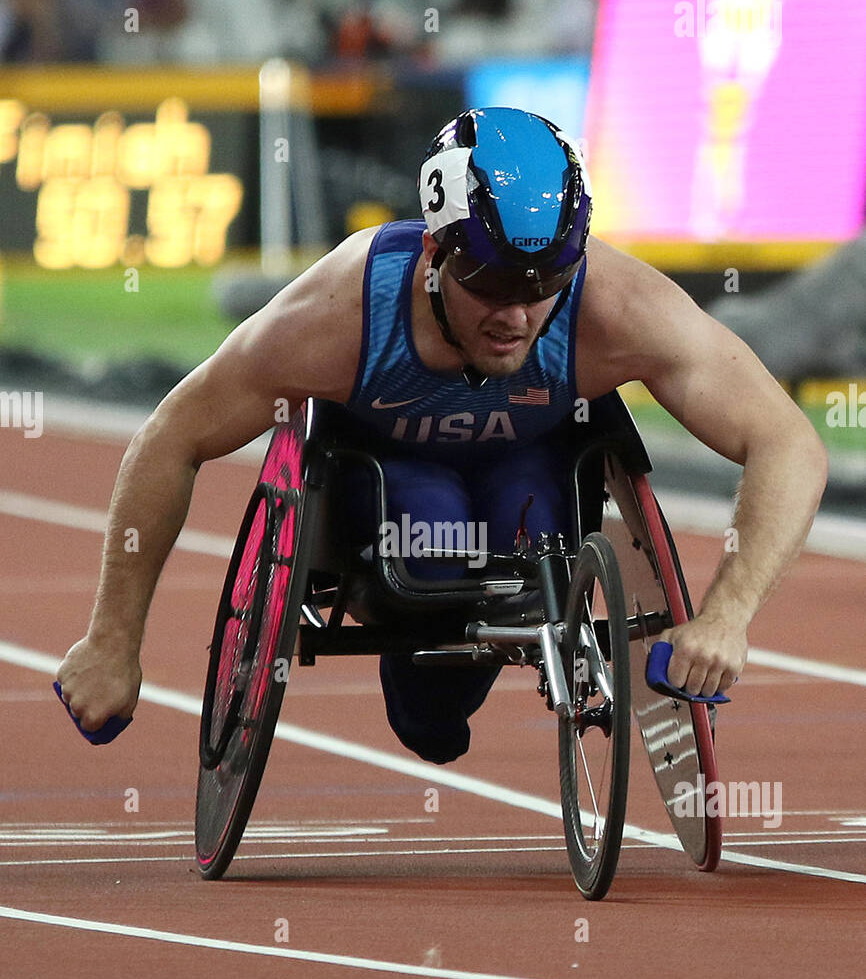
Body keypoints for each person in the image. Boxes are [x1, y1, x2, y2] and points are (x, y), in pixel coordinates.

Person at [56, 107, 827, 764]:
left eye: (544, 286)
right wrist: (112, 640)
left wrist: (727, 613)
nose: (516, 314)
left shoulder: (620, 308)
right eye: (489, 284)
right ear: (434, 250)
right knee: (432, 543)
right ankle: (427, 675)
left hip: (531, 466)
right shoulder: (337, 314)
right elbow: (170, 436)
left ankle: (446, 686)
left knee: (517, 571)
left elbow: (788, 443)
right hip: (385, 473)